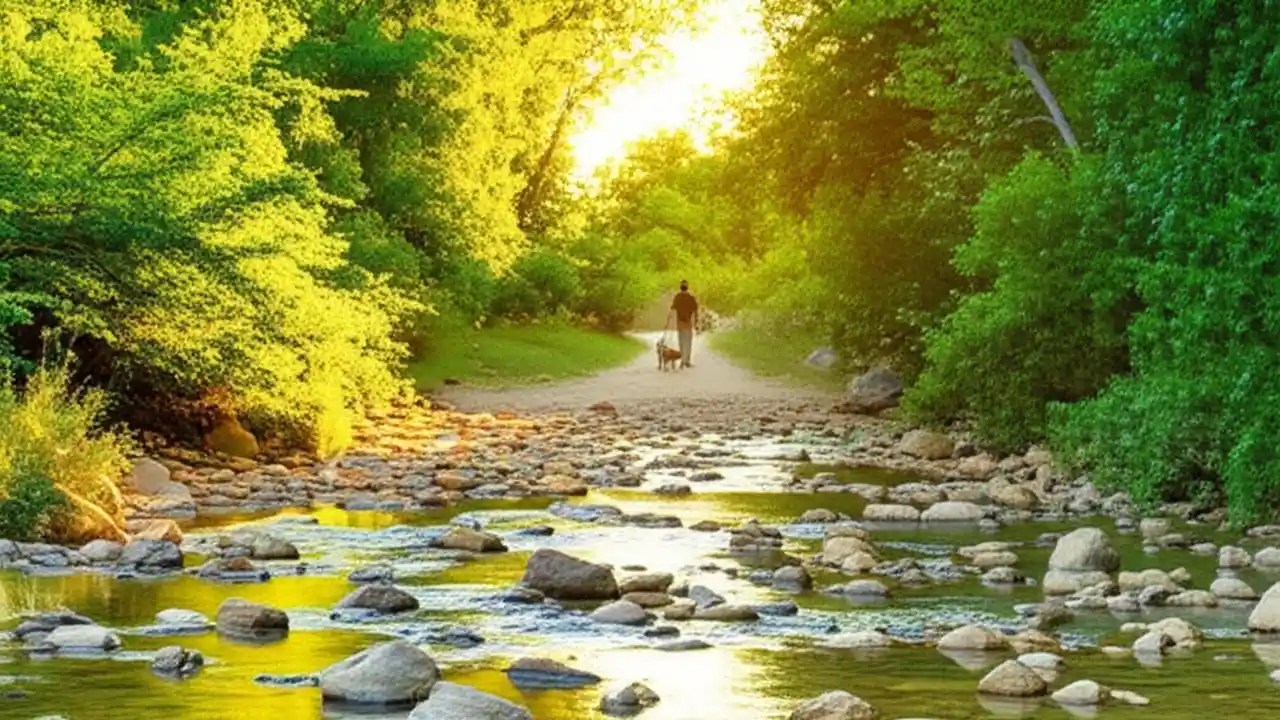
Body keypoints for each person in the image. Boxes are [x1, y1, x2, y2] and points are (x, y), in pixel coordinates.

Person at [669, 280, 699, 368]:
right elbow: (695, 310)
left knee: (681, 342)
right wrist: (696, 322)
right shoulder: (691, 297)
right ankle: (687, 361)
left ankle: (682, 360)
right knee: (688, 343)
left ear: (680, 287)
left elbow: (673, 308)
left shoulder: (677, 297)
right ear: (687, 287)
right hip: (688, 324)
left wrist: (669, 321)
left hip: (680, 324)